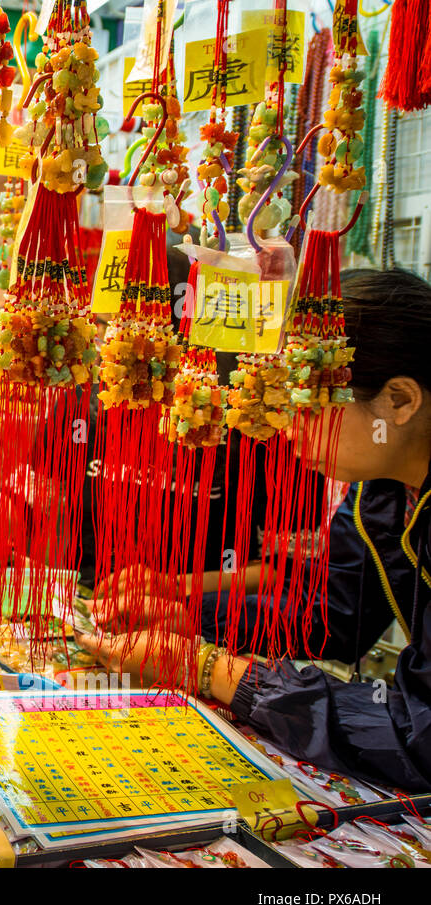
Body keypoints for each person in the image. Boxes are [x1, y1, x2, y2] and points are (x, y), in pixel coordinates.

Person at [82, 268, 431, 793]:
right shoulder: (381, 490)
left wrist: (210, 669)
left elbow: (417, 733)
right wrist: (185, 609)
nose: (287, 428)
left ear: (399, 402)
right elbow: (336, 614)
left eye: (308, 404)